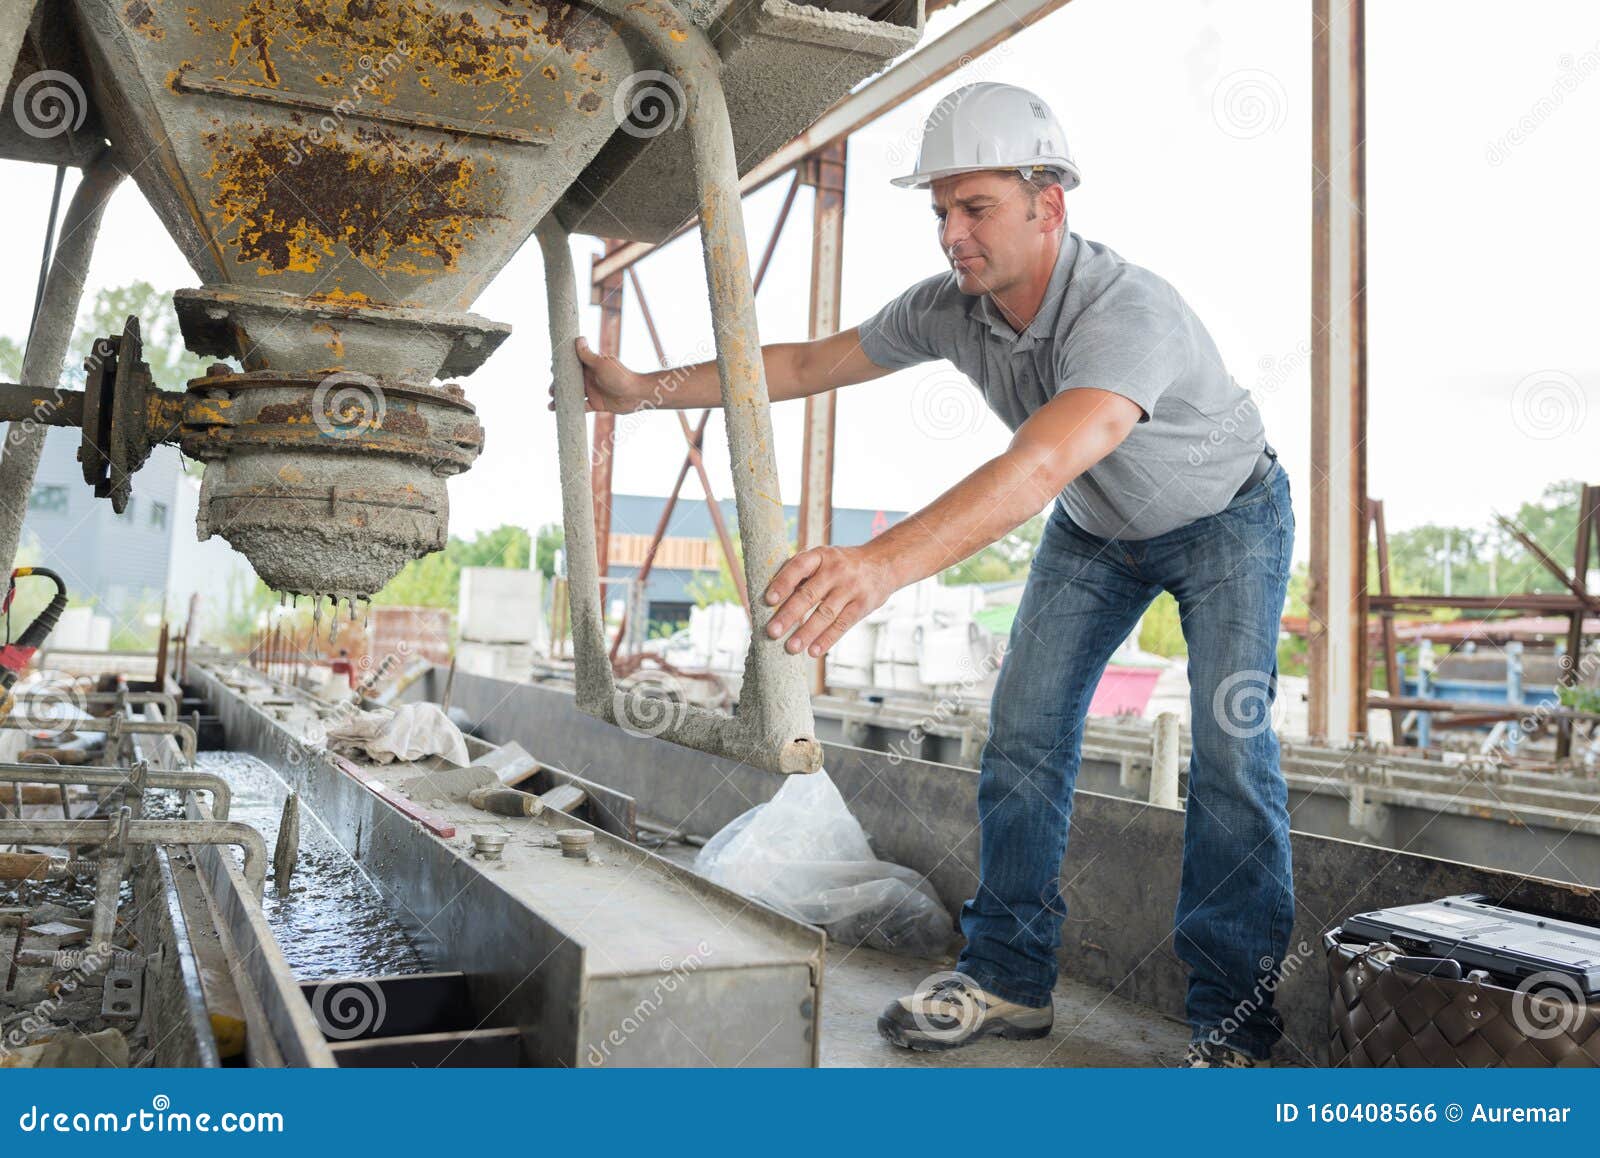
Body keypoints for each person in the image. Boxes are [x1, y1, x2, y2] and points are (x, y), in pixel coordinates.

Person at [557, 82, 1294, 1067]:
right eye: (939, 209)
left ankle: (1233, 1024)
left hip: (1226, 520)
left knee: (1230, 754)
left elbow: (1038, 464)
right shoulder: (955, 309)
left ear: (1049, 203)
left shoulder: (1130, 312)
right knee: (1023, 739)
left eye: (974, 207)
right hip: (1095, 528)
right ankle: (1007, 979)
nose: (951, 233)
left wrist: (881, 565)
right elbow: (813, 362)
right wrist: (643, 391)